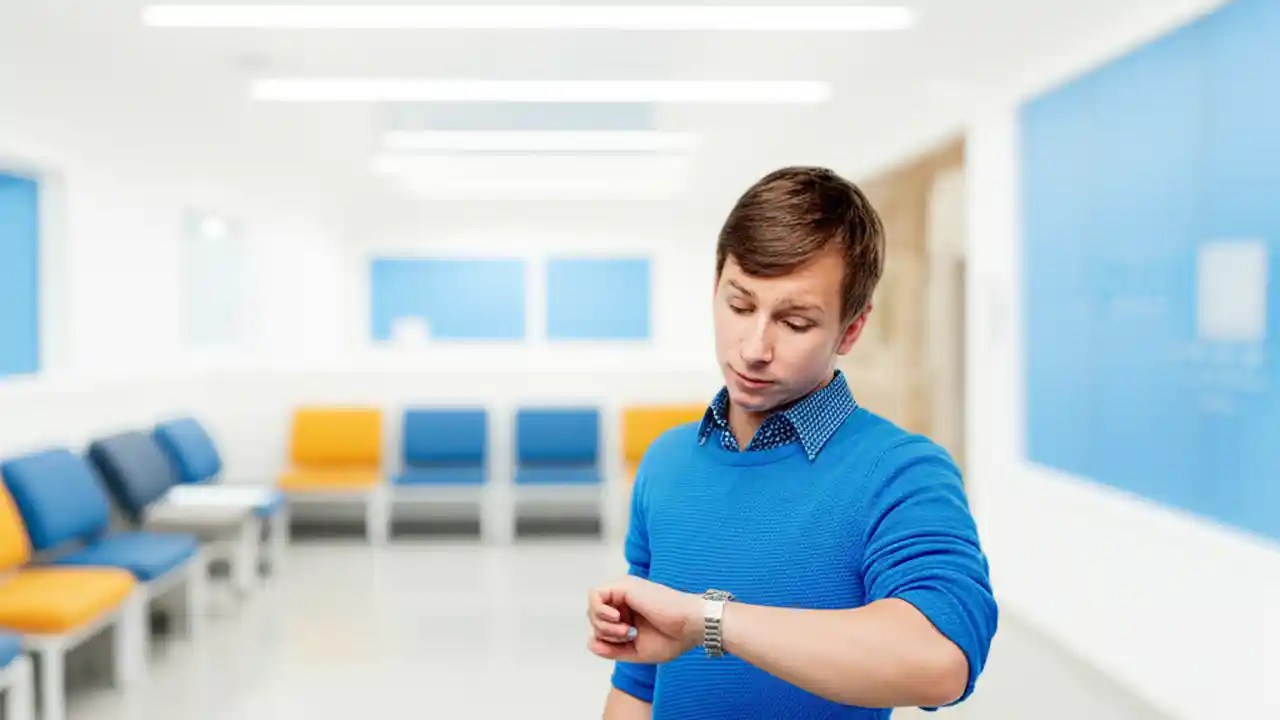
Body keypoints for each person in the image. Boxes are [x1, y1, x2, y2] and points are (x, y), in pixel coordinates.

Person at [586, 166, 997, 719]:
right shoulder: (666, 464)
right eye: (739, 306)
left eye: (795, 322)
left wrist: (711, 622)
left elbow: (939, 660)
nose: (754, 347)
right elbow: (637, 683)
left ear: (850, 329)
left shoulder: (902, 471)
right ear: (715, 289)